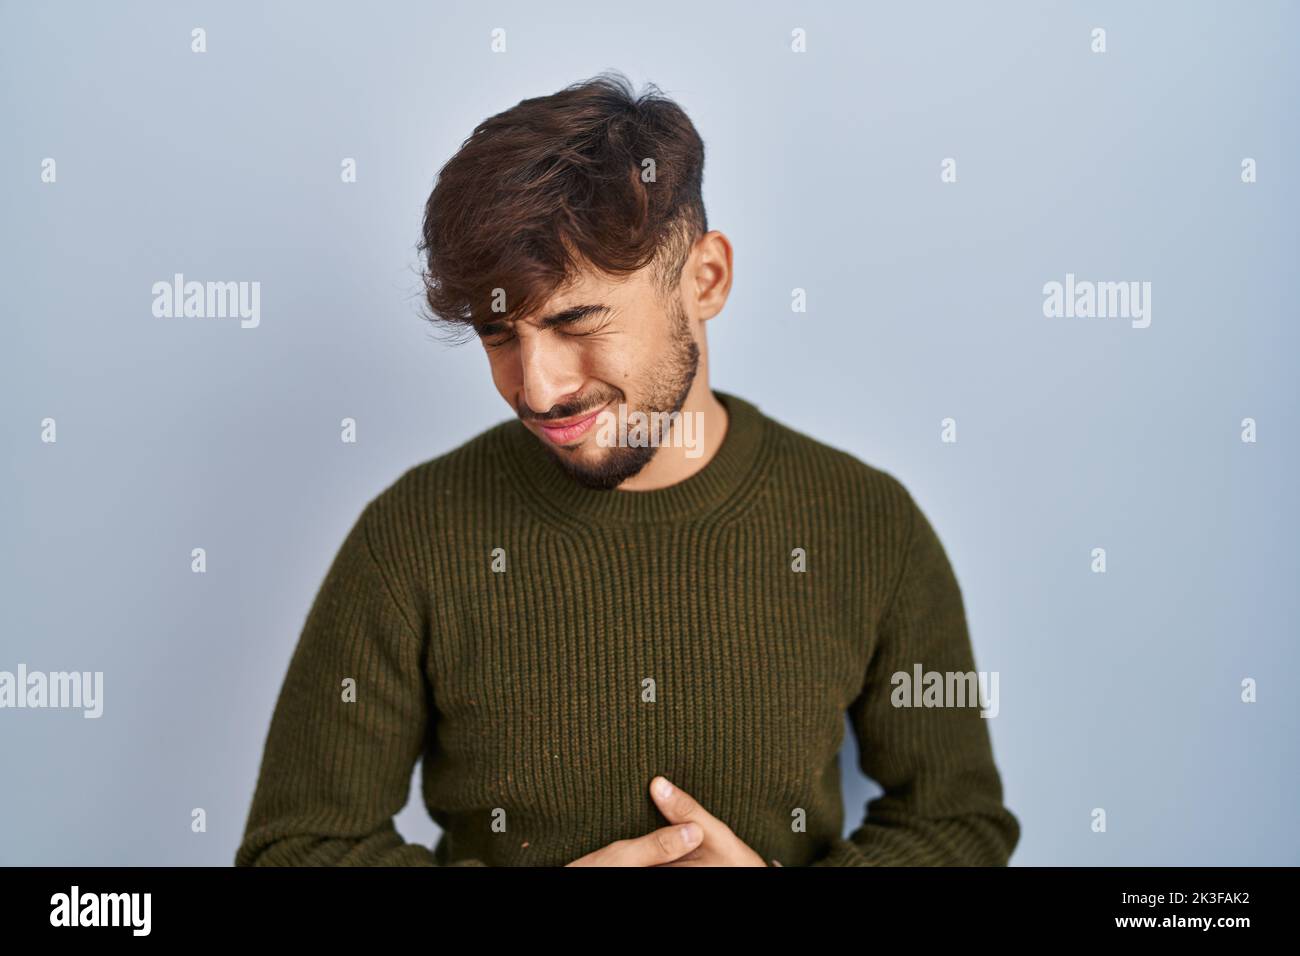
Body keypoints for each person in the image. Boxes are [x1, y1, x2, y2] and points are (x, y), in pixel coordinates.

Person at [235, 71, 1019, 867]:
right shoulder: (411, 536)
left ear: (705, 279)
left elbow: (958, 826)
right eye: (498, 335)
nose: (537, 388)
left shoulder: (865, 523)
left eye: (577, 320)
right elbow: (294, 850)